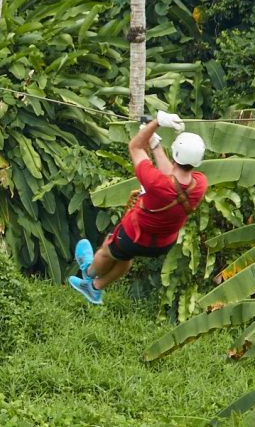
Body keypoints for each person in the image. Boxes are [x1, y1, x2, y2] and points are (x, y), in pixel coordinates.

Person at [68, 111, 206, 305]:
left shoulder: (155, 182)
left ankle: (89, 275)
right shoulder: (199, 184)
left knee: (108, 249)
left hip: (134, 235)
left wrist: (156, 123)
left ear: (175, 153)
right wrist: (154, 143)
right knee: (125, 258)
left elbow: (134, 146)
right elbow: (173, 178)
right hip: (162, 244)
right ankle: (96, 287)